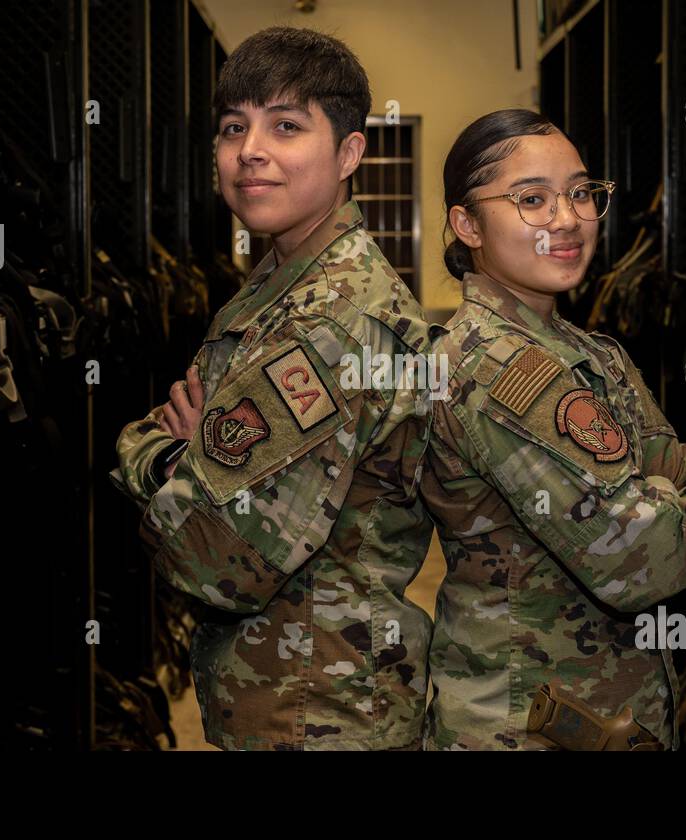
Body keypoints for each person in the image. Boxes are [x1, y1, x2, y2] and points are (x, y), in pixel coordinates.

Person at [112, 27, 434, 751]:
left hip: (320, 713)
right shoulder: (280, 284)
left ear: (349, 153)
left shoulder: (333, 318)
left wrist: (163, 460)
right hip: (291, 698)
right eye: (234, 127)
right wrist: (194, 465)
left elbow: (216, 561)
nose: (249, 149)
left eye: (286, 125)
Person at [420, 109, 686, 751]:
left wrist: (667, 496)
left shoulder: (589, 353)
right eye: (531, 199)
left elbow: (682, 475)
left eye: (581, 193)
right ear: (466, 224)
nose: (566, 220)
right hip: (534, 729)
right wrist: (671, 503)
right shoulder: (503, 369)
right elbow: (650, 559)